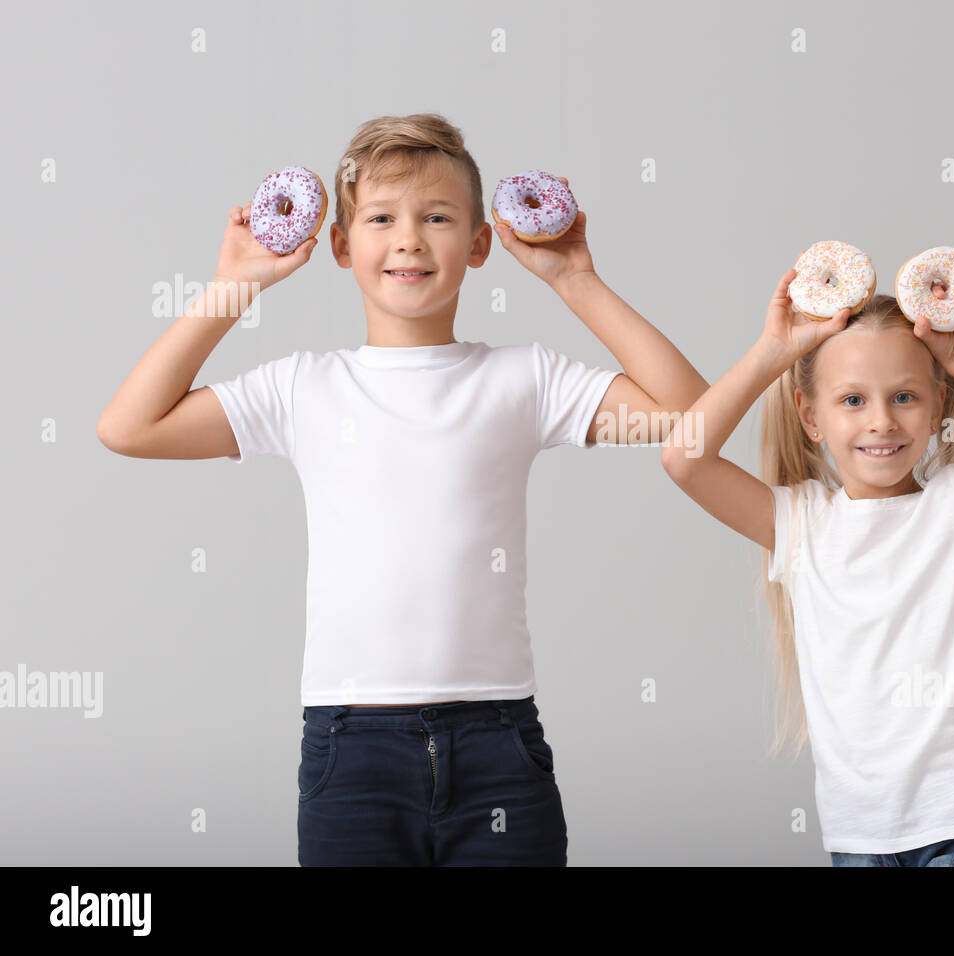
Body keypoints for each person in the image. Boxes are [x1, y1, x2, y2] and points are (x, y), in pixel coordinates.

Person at [97, 113, 708, 866]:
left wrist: (574, 279)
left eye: (438, 217)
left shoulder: (524, 378)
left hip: (497, 741)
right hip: (350, 746)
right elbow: (129, 427)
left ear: (481, 243)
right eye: (382, 218)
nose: (410, 239)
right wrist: (234, 288)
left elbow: (690, 417)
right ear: (343, 246)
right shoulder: (303, 388)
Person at [660, 267, 954, 866]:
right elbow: (684, 460)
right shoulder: (802, 525)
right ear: (811, 416)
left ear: (939, 401)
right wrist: (773, 351)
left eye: (906, 396)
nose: (881, 421)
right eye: (853, 400)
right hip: (861, 837)